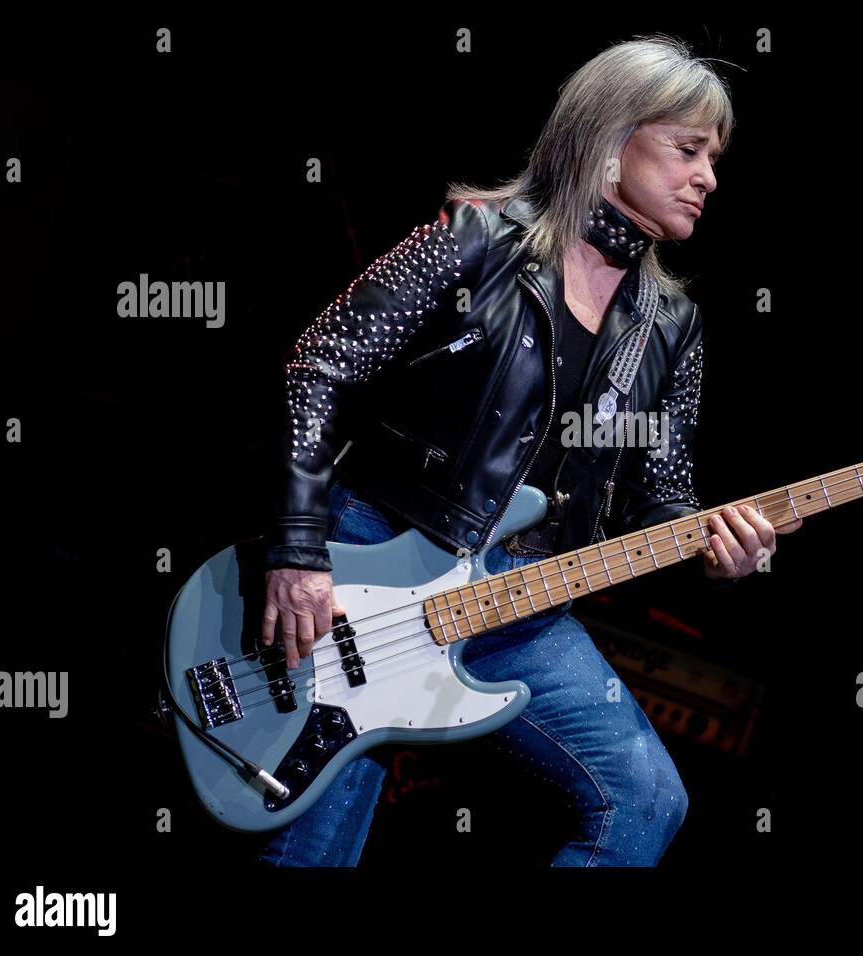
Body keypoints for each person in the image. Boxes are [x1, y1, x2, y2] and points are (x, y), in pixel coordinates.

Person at [258, 34, 802, 867]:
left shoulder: (673, 326)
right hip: (373, 562)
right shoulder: (474, 237)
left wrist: (723, 548)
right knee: (318, 837)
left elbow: (663, 494)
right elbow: (318, 367)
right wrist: (298, 550)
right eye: (688, 150)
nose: (709, 177)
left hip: (524, 605)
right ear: (611, 140)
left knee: (646, 800)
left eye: (715, 158)